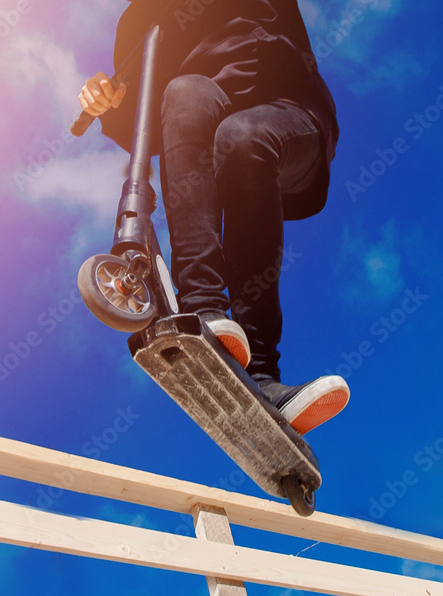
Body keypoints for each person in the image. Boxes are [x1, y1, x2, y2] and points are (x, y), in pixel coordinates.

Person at [78, 0, 349, 435]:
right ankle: (205, 316)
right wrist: (106, 100)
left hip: (291, 113)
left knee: (243, 138)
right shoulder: (143, 17)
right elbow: (140, 109)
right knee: (184, 92)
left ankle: (262, 368)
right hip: (209, 117)